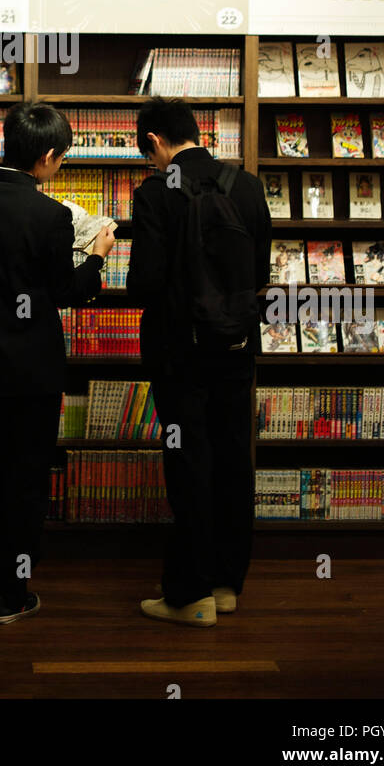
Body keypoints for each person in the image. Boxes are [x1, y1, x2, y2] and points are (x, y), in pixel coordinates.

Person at [0, 102, 115, 624]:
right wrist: (99, 254)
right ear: (47, 156)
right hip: (33, 370)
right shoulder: (51, 215)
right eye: (60, 159)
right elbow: (66, 293)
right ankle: (10, 593)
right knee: (28, 482)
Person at [127, 97, 271, 628]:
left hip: (178, 355)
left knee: (190, 465)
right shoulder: (247, 186)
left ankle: (189, 596)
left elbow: (143, 283)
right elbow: (259, 271)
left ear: (154, 143)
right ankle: (226, 583)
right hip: (236, 348)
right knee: (234, 459)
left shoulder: (152, 194)